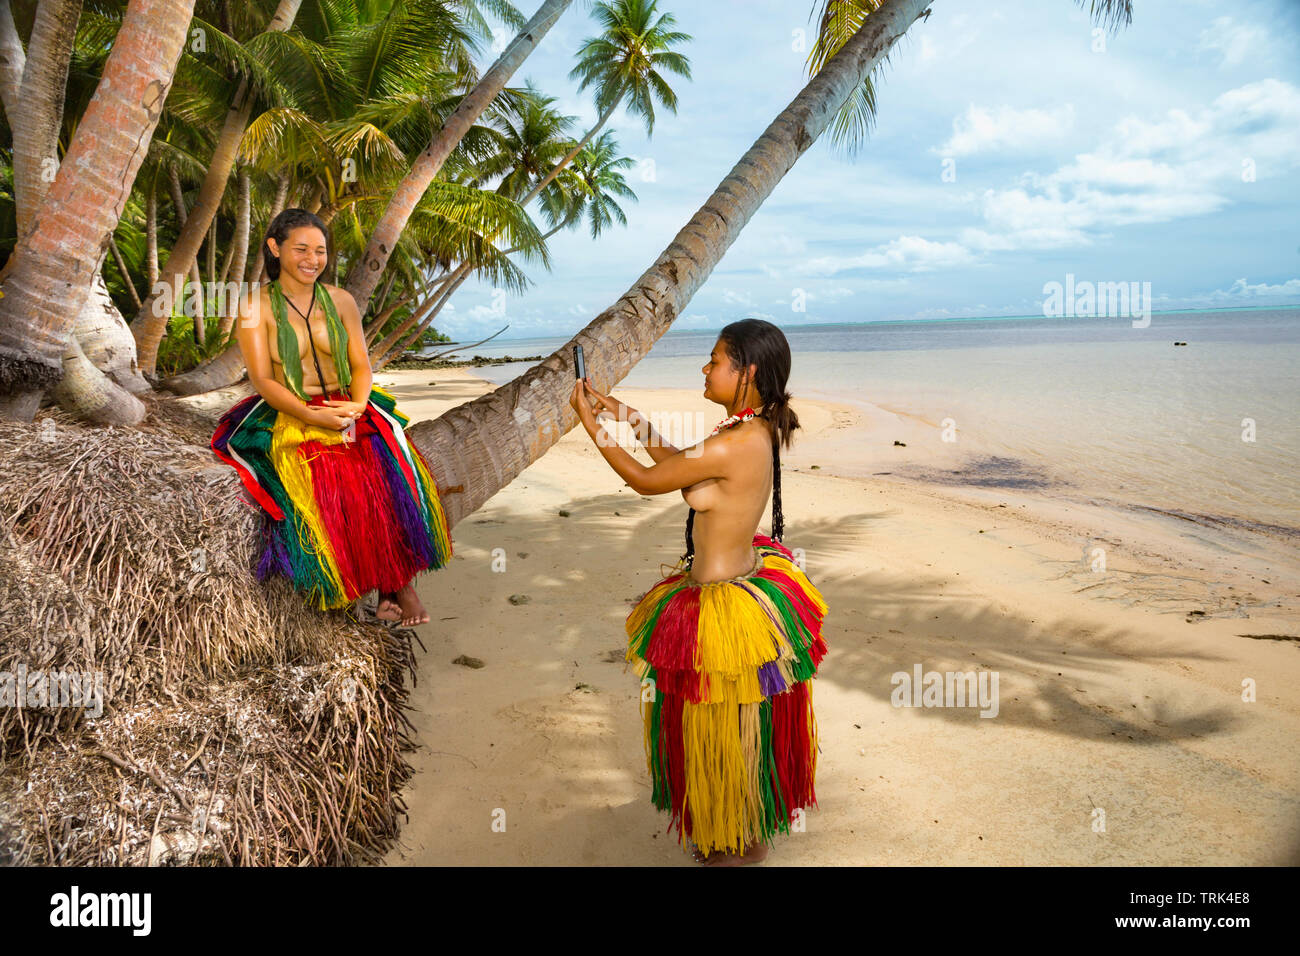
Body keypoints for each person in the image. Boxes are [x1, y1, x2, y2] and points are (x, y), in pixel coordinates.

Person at [569, 318, 828, 865]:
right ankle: (747, 837)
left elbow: (645, 480)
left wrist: (591, 426)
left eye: (714, 360)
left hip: (720, 610)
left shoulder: (732, 444)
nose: (704, 369)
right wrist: (628, 416)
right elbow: (683, 467)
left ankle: (729, 849)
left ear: (747, 372)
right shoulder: (750, 433)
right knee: (740, 725)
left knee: (720, 728)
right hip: (746, 586)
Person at [210, 208, 452, 625]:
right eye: (301, 248)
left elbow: (361, 365)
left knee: (388, 472)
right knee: (333, 485)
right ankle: (360, 587)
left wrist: (358, 406)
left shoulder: (341, 300)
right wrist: (311, 416)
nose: (312, 259)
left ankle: (398, 585)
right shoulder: (256, 307)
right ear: (275, 248)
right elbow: (263, 380)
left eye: (320, 250)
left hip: (349, 401)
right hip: (292, 406)